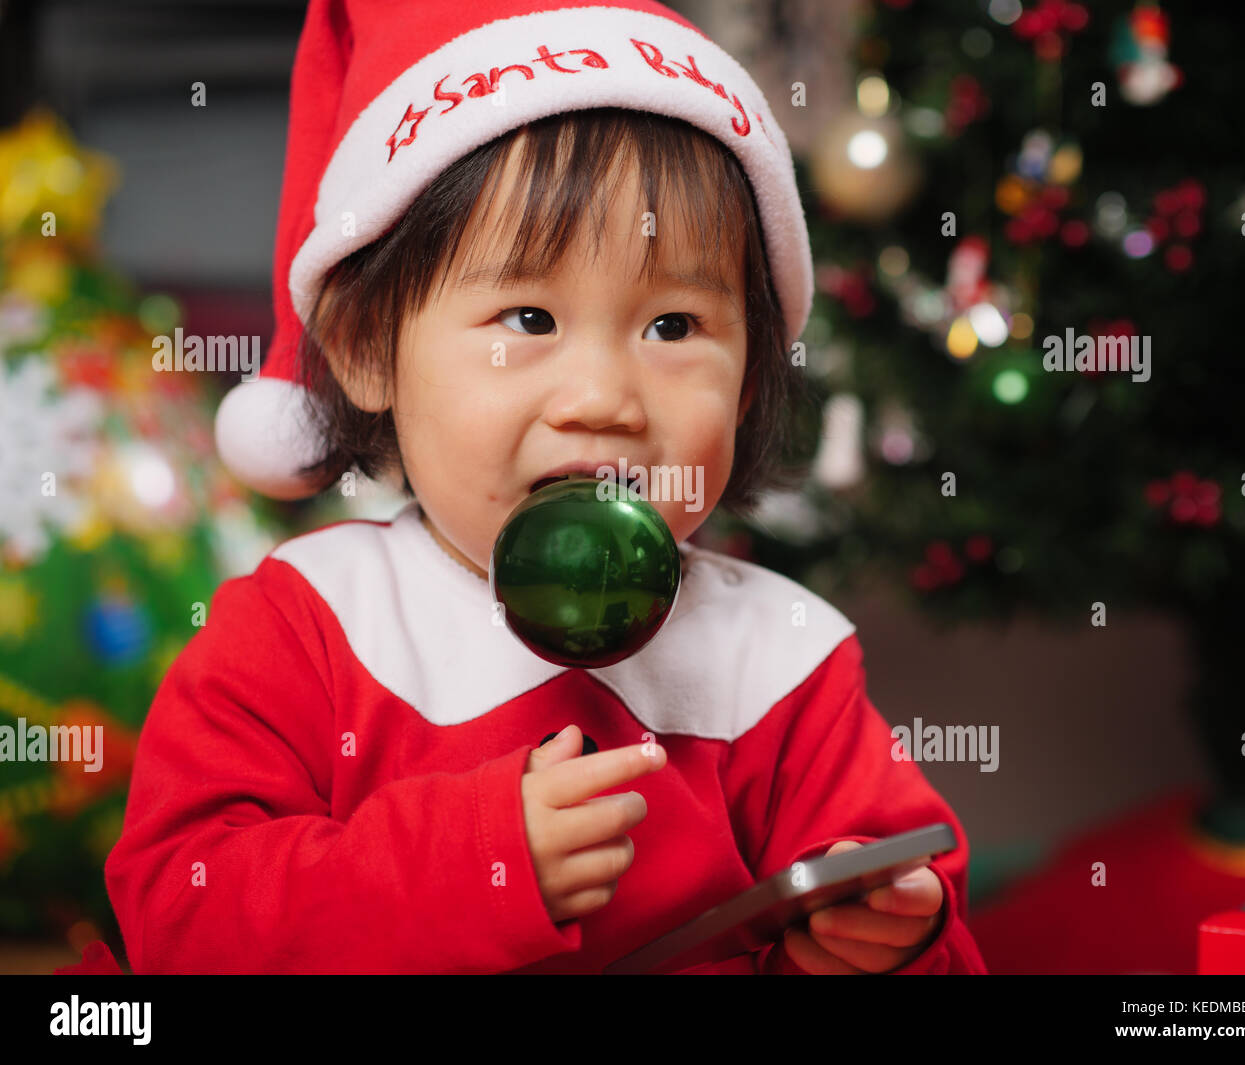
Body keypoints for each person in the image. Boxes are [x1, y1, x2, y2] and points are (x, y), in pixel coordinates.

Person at [94, 0, 988, 975]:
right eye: (526, 317)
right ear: (363, 349)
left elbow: (920, 913)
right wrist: (473, 860)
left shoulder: (785, 664)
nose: (604, 398)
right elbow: (183, 917)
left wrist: (889, 943)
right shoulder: (305, 628)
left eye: (674, 327)